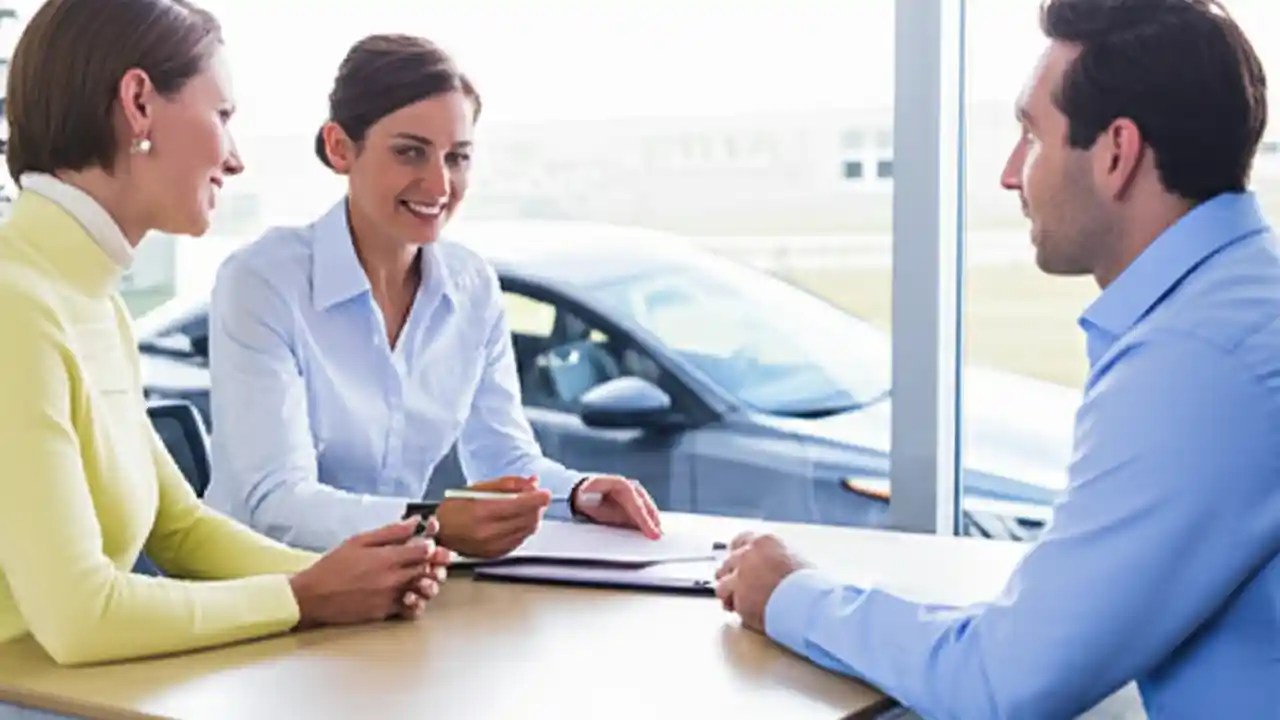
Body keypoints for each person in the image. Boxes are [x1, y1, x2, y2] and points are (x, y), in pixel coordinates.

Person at [715, 0, 1278, 717]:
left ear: (1116, 153)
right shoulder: (1240, 306)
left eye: (1030, 135)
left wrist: (789, 594)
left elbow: (1003, 683)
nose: (1012, 175)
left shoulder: (1197, 364)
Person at [0, 0, 450, 668]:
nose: (236, 159)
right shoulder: (17, 307)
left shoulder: (88, 300)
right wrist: (305, 595)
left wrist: (364, 576)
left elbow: (178, 530)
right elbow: (80, 619)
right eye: (223, 116)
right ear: (139, 104)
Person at [203, 34, 663, 557]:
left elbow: (502, 457)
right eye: (409, 152)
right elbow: (276, 503)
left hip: (387, 587)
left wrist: (579, 494)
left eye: (457, 157)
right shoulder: (263, 282)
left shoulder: (472, 288)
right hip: (260, 590)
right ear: (340, 148)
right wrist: (433, 524)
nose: (439, 184)